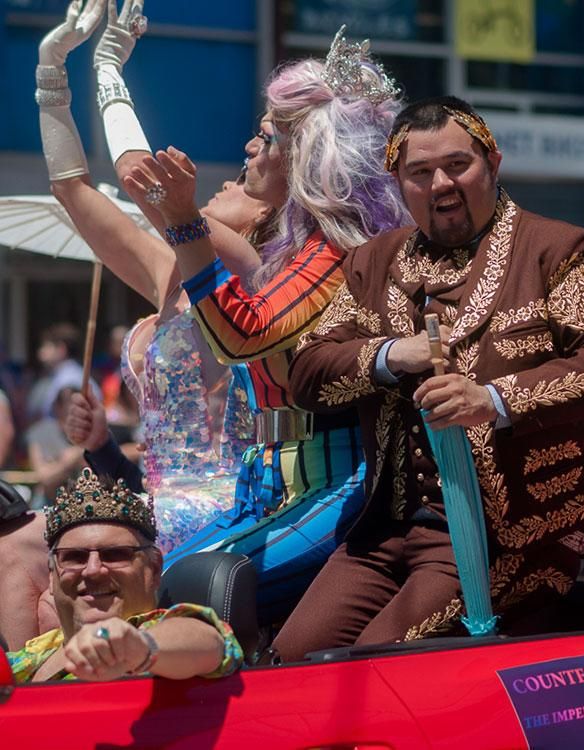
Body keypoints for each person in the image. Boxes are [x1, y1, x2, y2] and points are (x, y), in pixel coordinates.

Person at [273, 96, 584, 657]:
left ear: (492, 163)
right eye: (420, 172)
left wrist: (493, 398)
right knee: (294, 656)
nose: (441, 183)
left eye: (457, 165)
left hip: (511, 535)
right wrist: (392, 355)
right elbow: (307, 372)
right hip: (385, 529)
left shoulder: (558, 250)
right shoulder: (372, 263)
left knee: (379, 663)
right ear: (397, 182)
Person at [0, 0, 271, 651]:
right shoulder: (169, 271)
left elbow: (136, 178)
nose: (217, 187)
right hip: (147, 498)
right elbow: (73, 188)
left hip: (220, 511)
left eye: (236, 183)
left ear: (263, 216)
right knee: (24, 557)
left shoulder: (249, 269)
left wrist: (108, 68)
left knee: (30, 550)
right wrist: (49, 75)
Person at [124, 27, 410, 623]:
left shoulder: (335, 248)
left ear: (307, 150)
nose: (250, 147)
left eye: (267, 134)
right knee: (140, 577)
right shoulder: (287, 246)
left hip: (337, 478)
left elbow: (242, 335)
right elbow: (129, 183)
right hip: (265, 478)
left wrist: (183, 221)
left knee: (173, 590)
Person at [5, 468, 242, 682]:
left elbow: (210, 645)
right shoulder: (38, 651)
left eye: (115, 554)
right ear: (51, 576)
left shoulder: (160, 635)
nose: (92, 570)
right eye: (74, 557)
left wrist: (138, 648)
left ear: (155, 567)